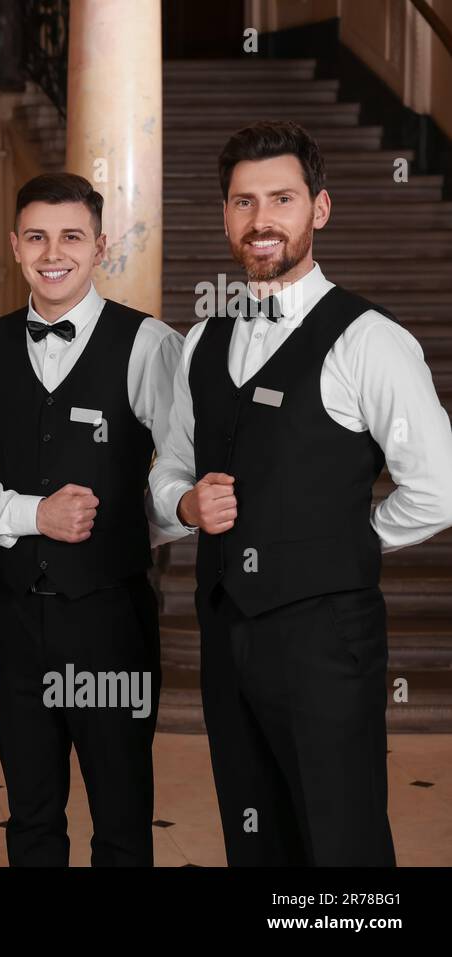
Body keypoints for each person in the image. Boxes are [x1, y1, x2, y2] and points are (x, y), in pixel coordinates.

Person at [150, 121, 452, 865]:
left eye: (281, 198)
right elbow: (169, 468)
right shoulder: (201, 342)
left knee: (339, 839)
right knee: (254, 834)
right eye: (243, 202)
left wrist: (346, 536)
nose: (261, 220)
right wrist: (184, 506)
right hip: (227, 630)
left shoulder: (369, 340)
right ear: (224, 215)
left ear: (318, 209)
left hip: (325, 637)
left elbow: (439, 489)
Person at [0, 172, 185, 866]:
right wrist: (30, 514)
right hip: (12, 618)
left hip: (110, 621)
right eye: (37, 236)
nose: (53, 252)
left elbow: (180, 475)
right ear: (15, 246)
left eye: (71, 236)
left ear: (99, 246)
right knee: (31, 816)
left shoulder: (152, 345)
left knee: (123, 818)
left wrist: (130, 533)